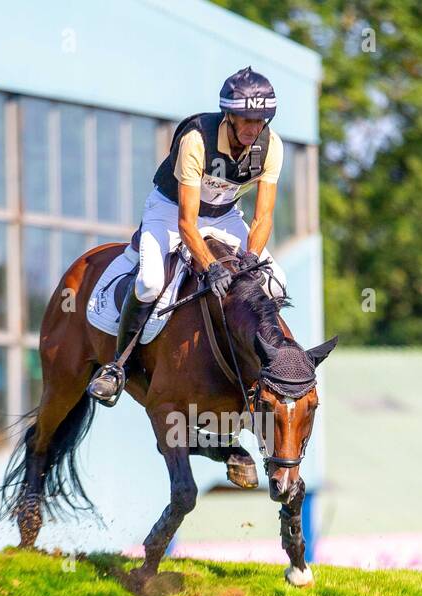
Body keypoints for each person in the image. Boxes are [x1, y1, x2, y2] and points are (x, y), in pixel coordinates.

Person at [87, 66, 288, 406]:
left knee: (275, 282)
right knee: (150, 282)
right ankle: (117, 366)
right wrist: (211, 267)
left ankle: (263, 366)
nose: (254, 129)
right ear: (229, 116)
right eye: (247, 120)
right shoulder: (197, 140)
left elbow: (263, 215)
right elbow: (187, 223)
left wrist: (251, 258)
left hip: (225, 215)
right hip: (170, 212)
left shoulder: (270, 146)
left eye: (261, 121)